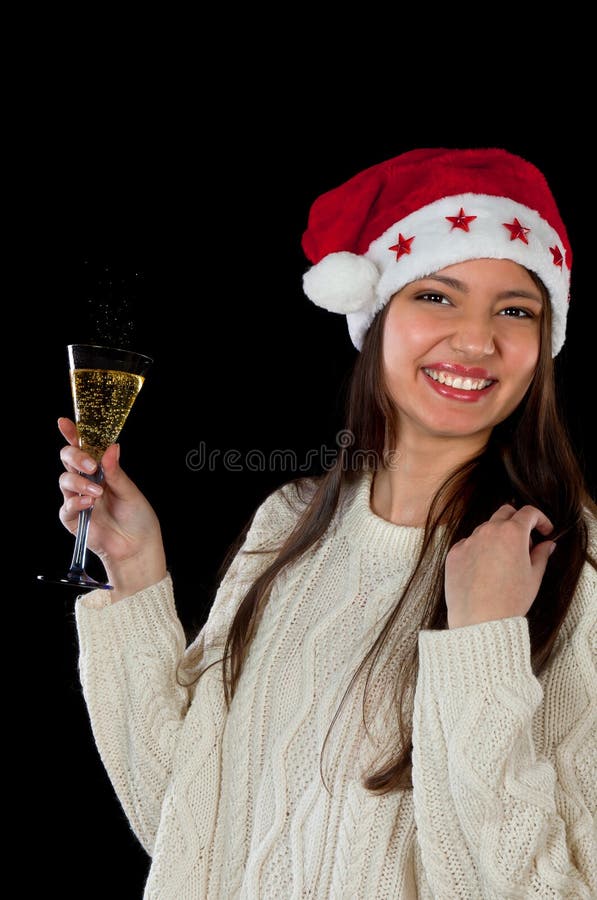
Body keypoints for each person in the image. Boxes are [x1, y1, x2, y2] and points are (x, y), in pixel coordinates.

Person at [59, 147, 596, 898]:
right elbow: (185, 828)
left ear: (544, 342)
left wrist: (481, 645)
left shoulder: (573, 564)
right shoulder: (287, 524)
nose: (477, 340)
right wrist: (139, 576)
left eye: (515, 309)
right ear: (376, 319)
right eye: (436, 296)